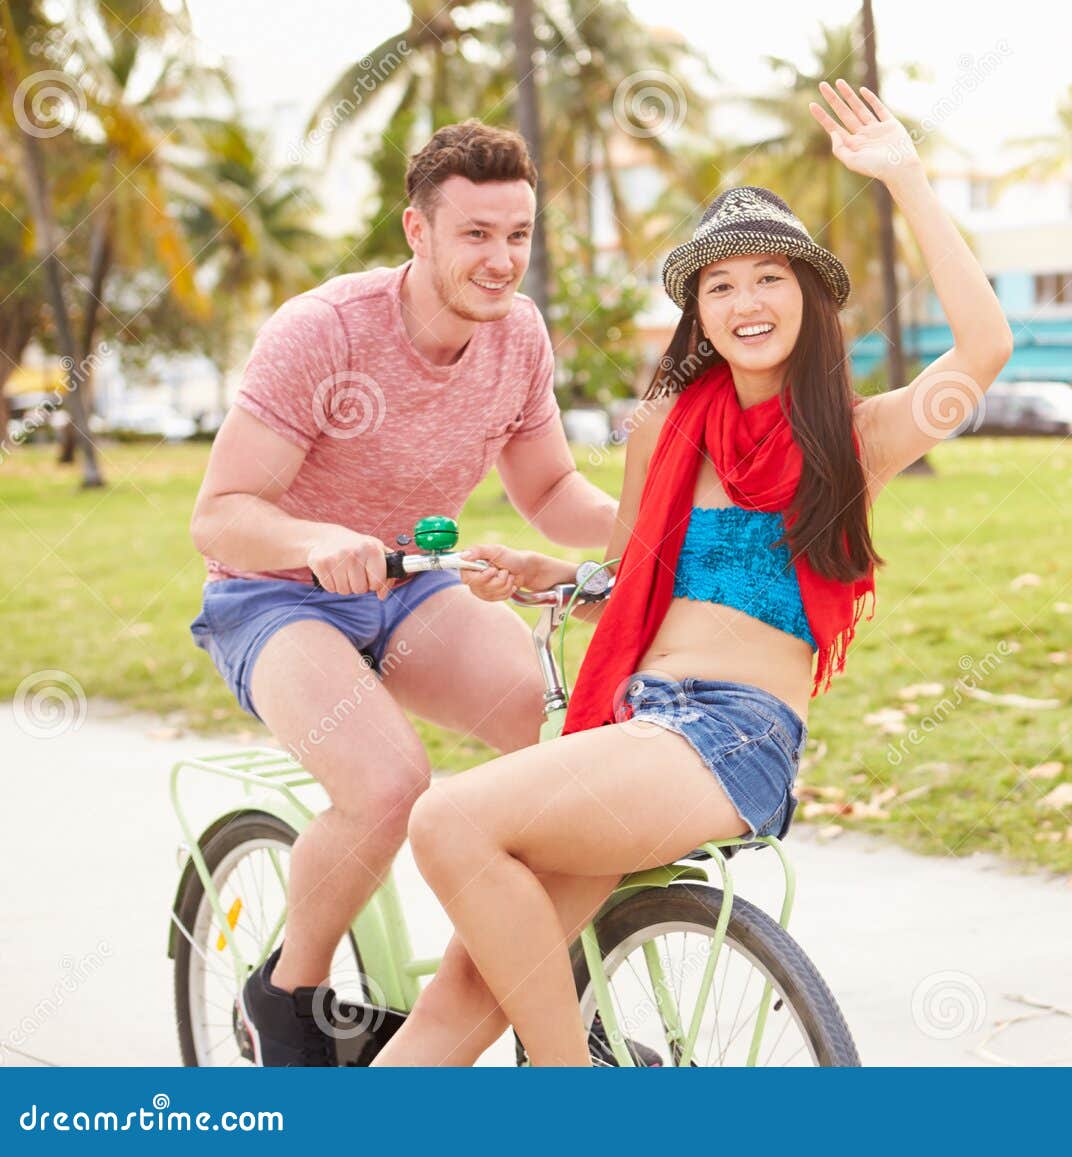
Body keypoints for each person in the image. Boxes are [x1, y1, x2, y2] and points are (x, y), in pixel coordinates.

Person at [372, 80, 1011, 1066]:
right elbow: (630, 579)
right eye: (721, 285)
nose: (746, 301)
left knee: (450, 819)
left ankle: (563, 1077)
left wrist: (907, 179)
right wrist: (553, 572)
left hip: (732, 733)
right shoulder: (665, 427)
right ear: (697, 311)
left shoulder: (856, 433)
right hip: (634, 725)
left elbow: (985, 345)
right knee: (457, 1002)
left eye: (769, 278)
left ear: (808, 295)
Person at [187, 120, 616, 1066]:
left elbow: (548, 492)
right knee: (389, 786)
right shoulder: (323, 332)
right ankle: (288, 994)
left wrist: (659, 524)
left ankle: (518, 991)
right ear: (417, 232)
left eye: (518, 234)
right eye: (476, 234)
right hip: (274, 596)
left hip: (412, 589)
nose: (502, 261)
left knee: (566, 755)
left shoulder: (520, 338)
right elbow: (219, 514)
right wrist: (315, 538)